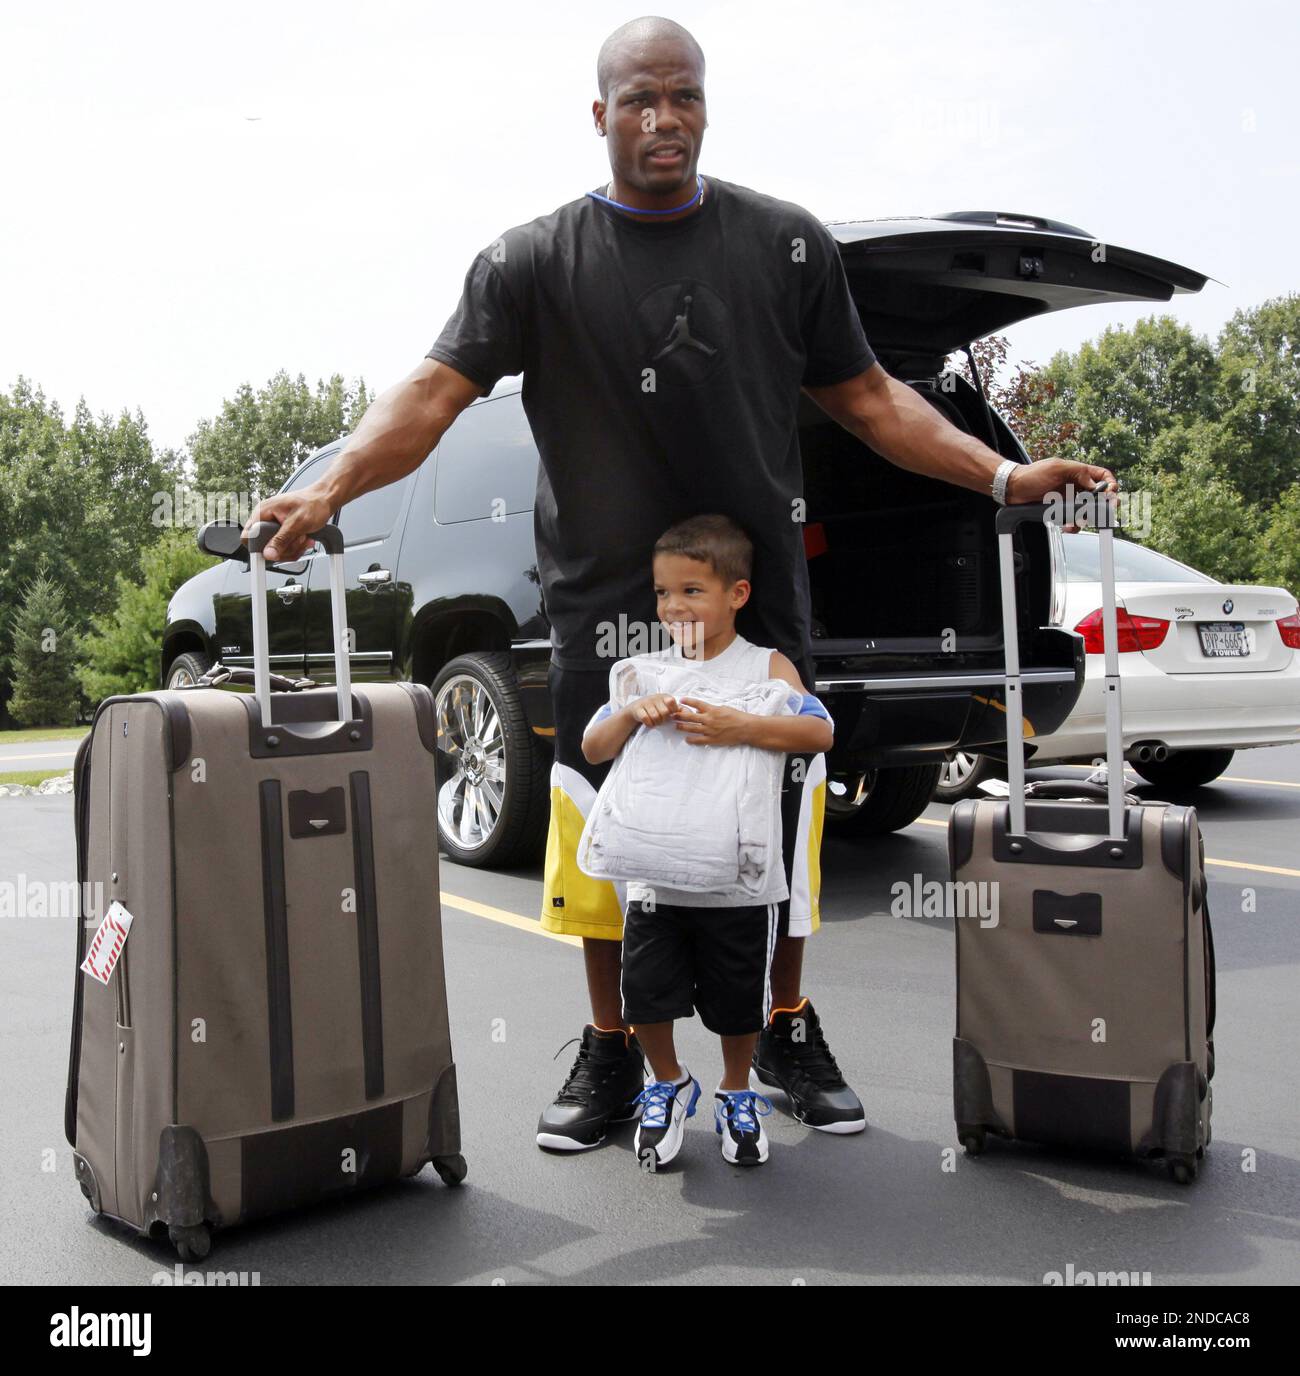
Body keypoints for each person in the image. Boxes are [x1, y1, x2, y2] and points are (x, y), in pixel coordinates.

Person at [241, 16, 1117, 1155]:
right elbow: (430, 394)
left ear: (707, 104)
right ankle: (613, 1047)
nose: (666, 119)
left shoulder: (783, 245)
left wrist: (1002, 470)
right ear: (598, 114)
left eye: (686, 97)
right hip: (603, 601)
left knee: (780, 829)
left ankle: (785, 1025)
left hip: (758, 608)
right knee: (605, 832)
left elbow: (873, 401)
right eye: (640, 99)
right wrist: (331, 489)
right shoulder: (531, 261)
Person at [579, 513, 836, 1169]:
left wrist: (741, 724)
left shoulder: (766, 668)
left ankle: (734, 1088)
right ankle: (667, 1081)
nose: (673, 606)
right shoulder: (642, 674)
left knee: (737, 1005)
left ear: (737, 595)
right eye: (663, 592)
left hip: (739, 883)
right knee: (648, 996)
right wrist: (633, 714)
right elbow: (593, 745)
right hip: (655, 880)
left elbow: (819, 733)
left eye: (692, 590)